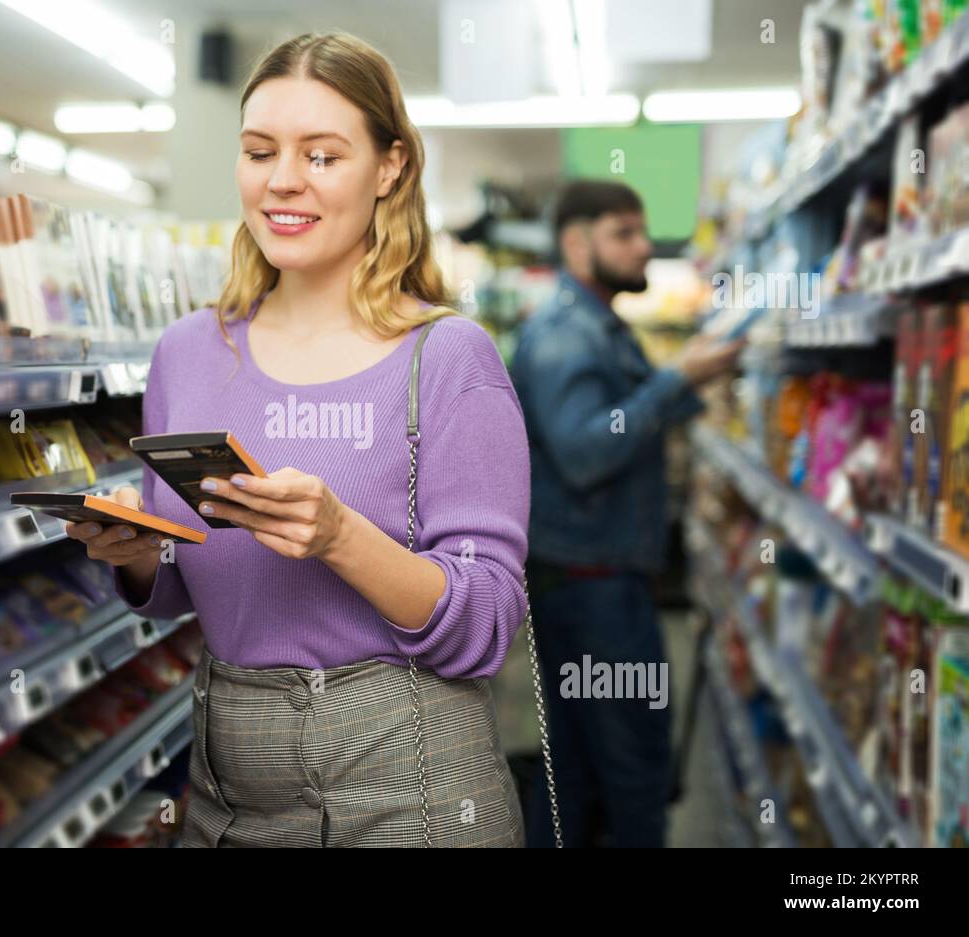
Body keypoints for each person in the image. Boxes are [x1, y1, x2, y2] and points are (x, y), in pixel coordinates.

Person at [65, 32, 531, 847]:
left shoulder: (449, 358)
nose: (283, 180)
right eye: (259, 151)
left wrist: (341, 536)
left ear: (389, 167)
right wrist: (138, 552)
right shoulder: (187, 352)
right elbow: (188, 581)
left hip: (408, 780)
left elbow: (489, 620)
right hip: (227, 779)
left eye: (322, 155)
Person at [510, 179, 742, 848]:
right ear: (576, 243)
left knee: (577, 769)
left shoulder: (598, 326)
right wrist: (678, 379)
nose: (644, 248)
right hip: (594, 591)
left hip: (590, 581)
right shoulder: (566, 337)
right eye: (624, 233)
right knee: (634, 770)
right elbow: (585, 450)